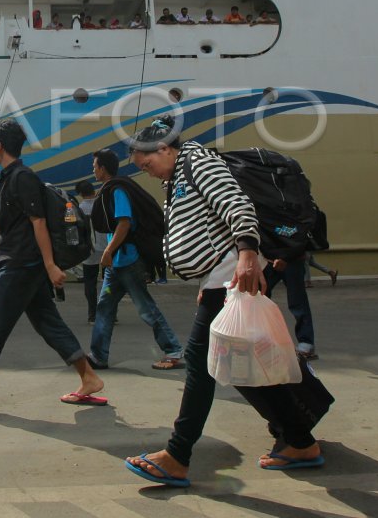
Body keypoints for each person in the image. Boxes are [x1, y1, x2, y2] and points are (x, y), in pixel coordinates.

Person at [124, 115, 325, 486]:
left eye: (147, 164)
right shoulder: (178, 174)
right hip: (221, 278)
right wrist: (207, 278)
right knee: (241, 368)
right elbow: (208, 227)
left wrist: (247, 254)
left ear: (164, 148)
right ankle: (300, 440)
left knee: (201, 367)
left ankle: (177, 455)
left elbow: (237, 204)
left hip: (233, 275)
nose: (147, 171)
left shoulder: (197, 162)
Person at [0, 119, 105, 412]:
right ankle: (89, 378)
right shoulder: (10, 177)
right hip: (22, 263)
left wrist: (50, 265)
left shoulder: (22, 178)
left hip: (20, 265)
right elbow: (4, 223)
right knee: (48, 323)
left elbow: (38, 223)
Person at [87, 149, 183, 370]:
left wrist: (108, 251)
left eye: (94, 166)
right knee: (104, 307)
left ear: (102, 168)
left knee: (145, 308)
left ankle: (173, 350)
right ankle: (98, 355)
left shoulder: (118, 190)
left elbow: (125, 223)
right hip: (117, 265)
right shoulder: (113, 188)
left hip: (129, 262)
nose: (93, 169)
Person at [75, 180, 104, 323]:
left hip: (90, 248)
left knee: (90, 282)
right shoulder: (102, 203)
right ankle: (110, 312)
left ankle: (92, 314)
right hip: (108, 246)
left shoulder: (81, 208)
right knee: (110, 282)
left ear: (80, 193)